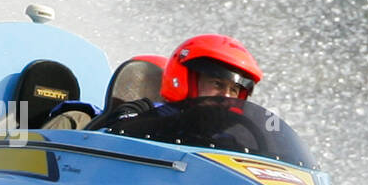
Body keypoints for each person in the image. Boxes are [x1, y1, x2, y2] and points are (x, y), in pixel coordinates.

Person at [87, 34, 262, 129]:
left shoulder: (235, 133)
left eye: (234, 90)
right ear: (185, 80)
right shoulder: (141, 113)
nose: (225, 95)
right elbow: (107, 138)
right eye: (217, 84)